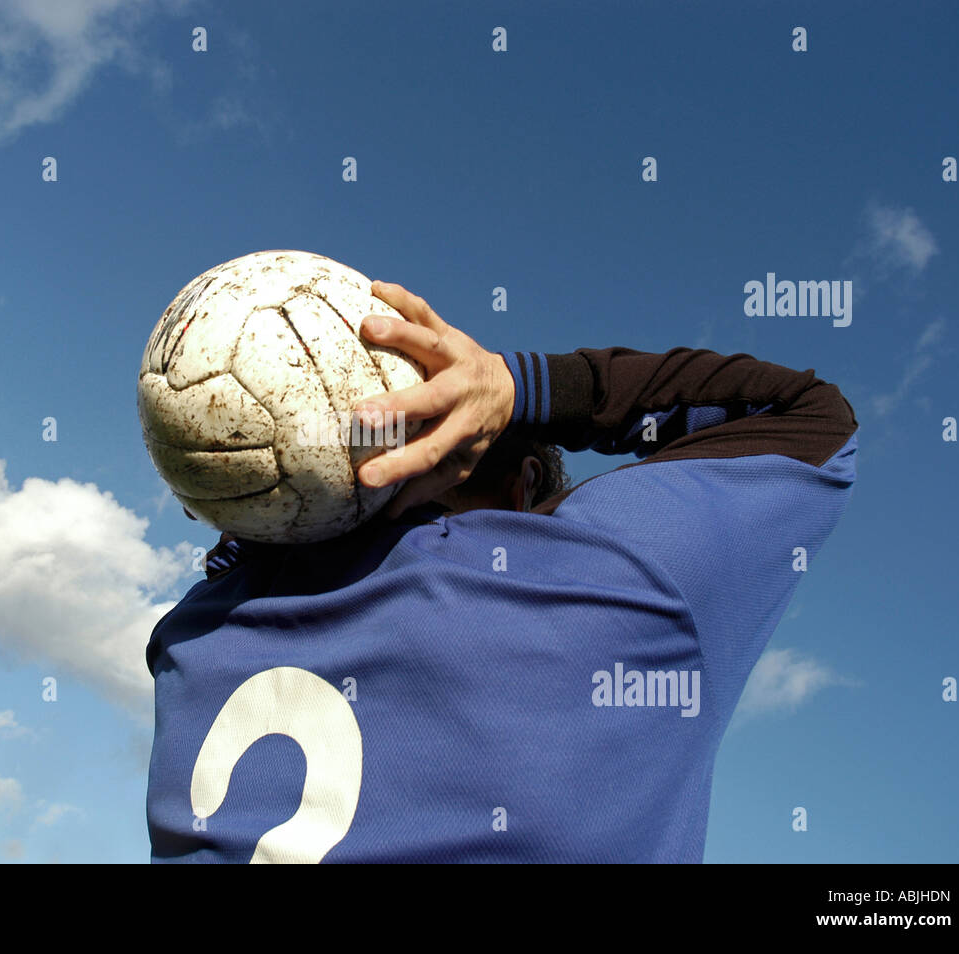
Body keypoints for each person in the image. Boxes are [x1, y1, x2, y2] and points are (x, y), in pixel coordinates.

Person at [145, 280, 859, 863]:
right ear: (524, 488)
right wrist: (519, 385)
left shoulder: (198, 631)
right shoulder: (610, 583)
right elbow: (811, 416)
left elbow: (249, 530)